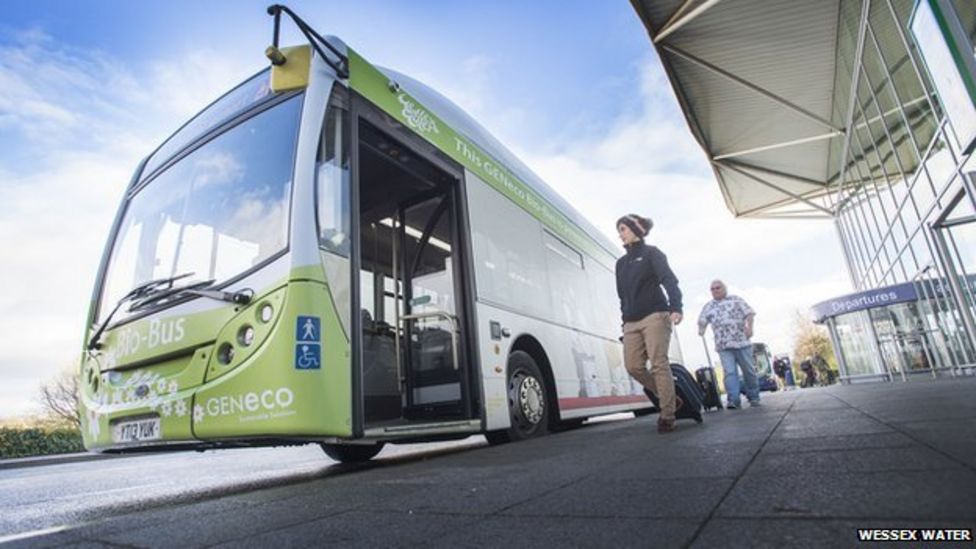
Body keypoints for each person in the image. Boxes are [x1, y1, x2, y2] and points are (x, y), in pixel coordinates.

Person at [615, 214, 684, 434]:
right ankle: (669, 397)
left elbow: (669, 280)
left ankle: (667, 414)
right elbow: (622, 296)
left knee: (658, 363)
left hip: (655, 315)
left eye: (623, 229)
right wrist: (624, 321)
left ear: (636, 229)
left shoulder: (652, 253)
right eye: (619, 230)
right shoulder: (620, 264)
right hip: (631, 321)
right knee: (633, 366)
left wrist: (676, 307)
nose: (620, 234)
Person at [697, 280, 761, 408]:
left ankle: (753, 396)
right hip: (723, 345)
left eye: (718, 288)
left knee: (749, 371)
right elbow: (702, 320)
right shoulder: (709, 306)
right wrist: (701, 329)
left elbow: (749, 313)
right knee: (730, 372)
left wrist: (750, 328)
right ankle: (733, 399)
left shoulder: (736, 299)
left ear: (724, 288)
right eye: (712, 289)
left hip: (741, 342)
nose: (715, 290)